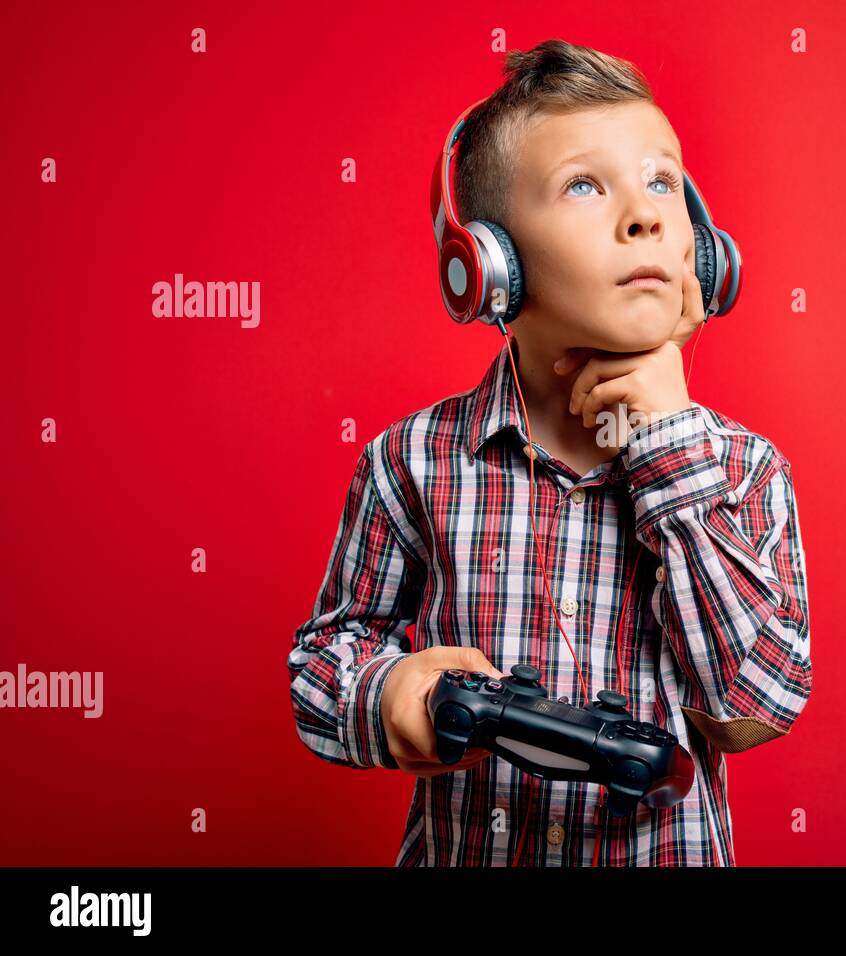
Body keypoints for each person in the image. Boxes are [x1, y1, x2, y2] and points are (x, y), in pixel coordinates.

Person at [288, 38, 812, 866]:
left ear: (701, 253)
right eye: (583, 185)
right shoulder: (413, 461)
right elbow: (322, 665)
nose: (643, 213)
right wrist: (388, 694)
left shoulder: (744, 470)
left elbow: (756, 704)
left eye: (662, 181)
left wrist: (669, 449)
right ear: (488, 264)